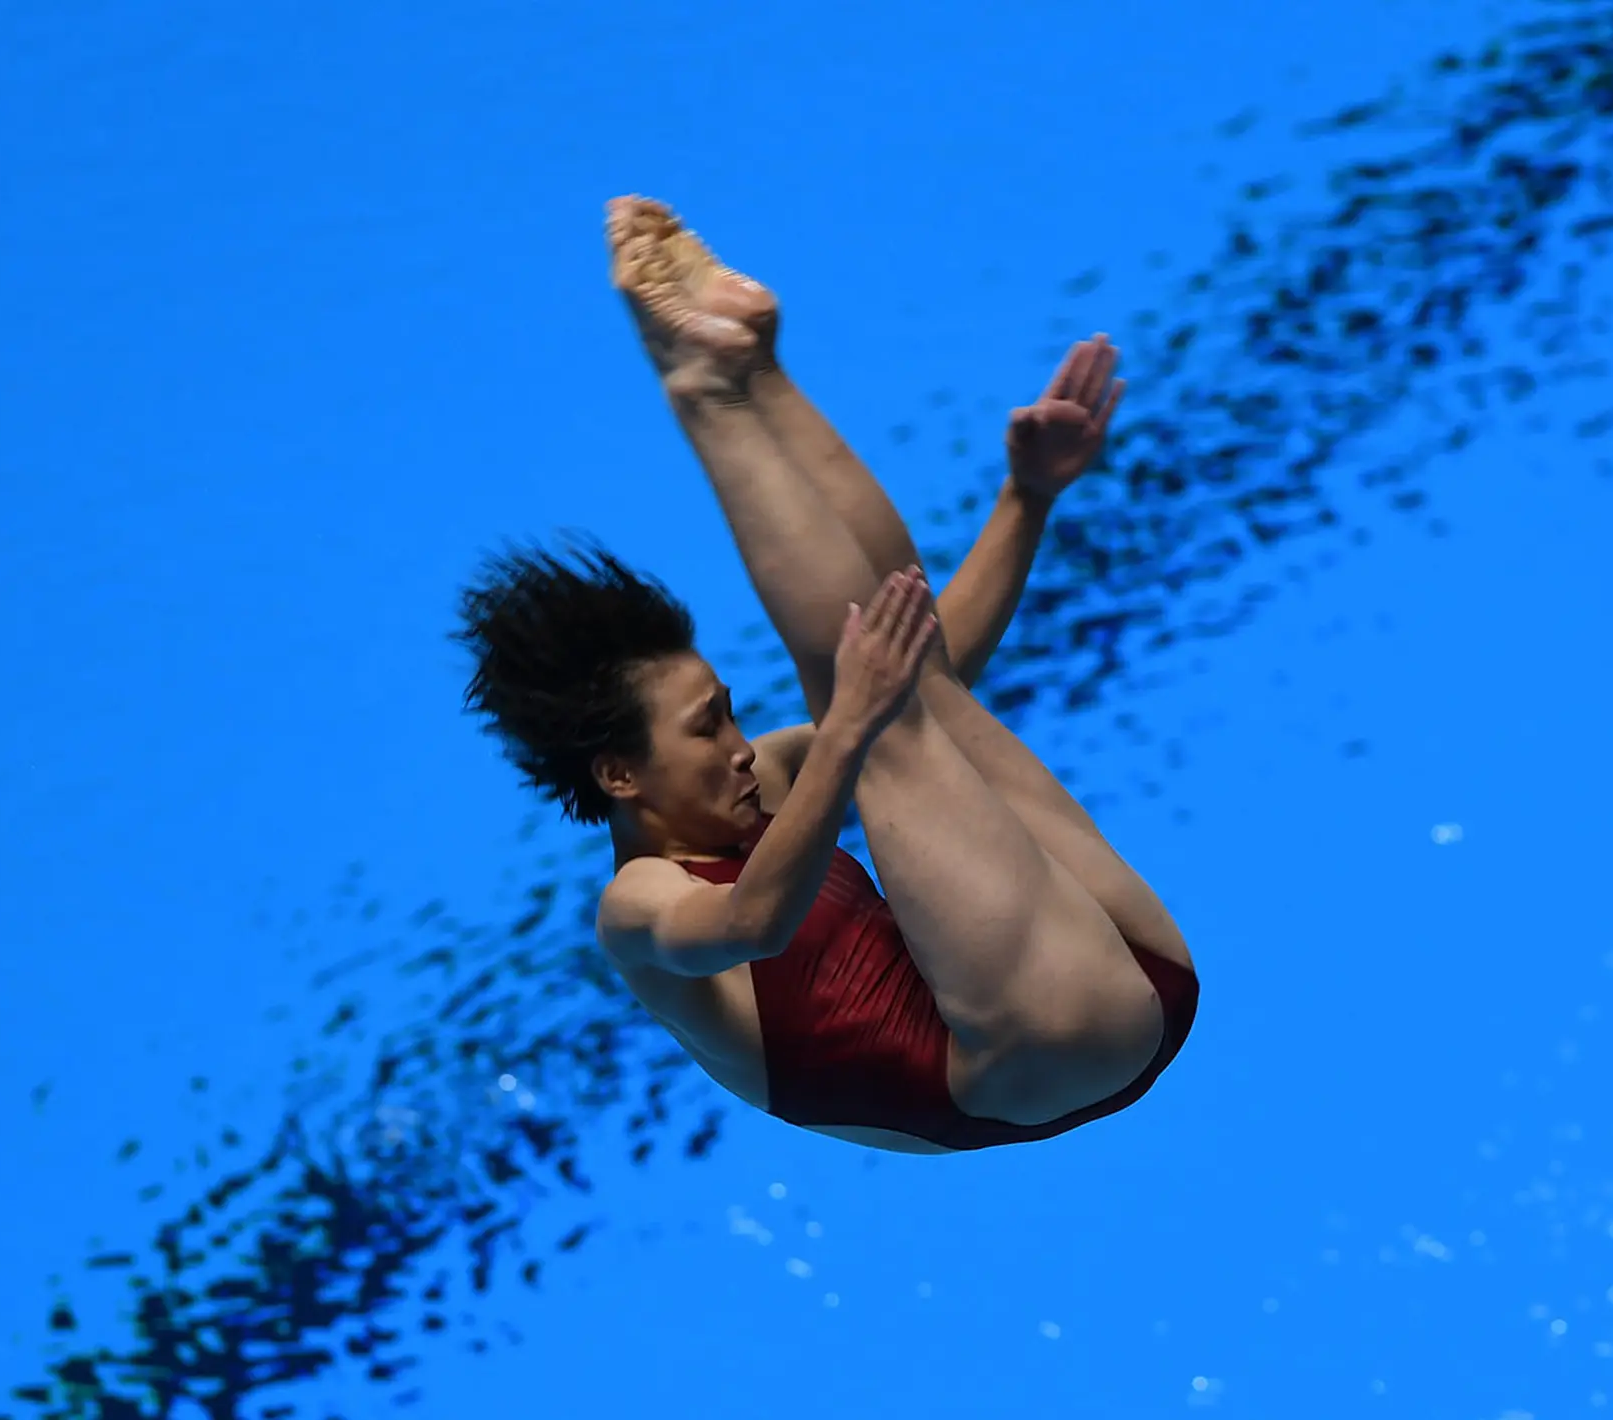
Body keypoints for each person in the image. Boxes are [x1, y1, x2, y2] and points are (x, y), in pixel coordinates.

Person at [452, 196, 1196, 1154]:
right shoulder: (638, 905)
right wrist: (847, 728)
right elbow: (754, 922)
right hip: (1024, 1060)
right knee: (876, 707)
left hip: (1126, 971)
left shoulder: (776, 778)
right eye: (705, 728)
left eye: (724, 714)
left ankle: (753, 372)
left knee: (905, 678)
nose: (738, 748)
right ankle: (703, 390)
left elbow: (922, 661)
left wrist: (1028, 498)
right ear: (620, 776)